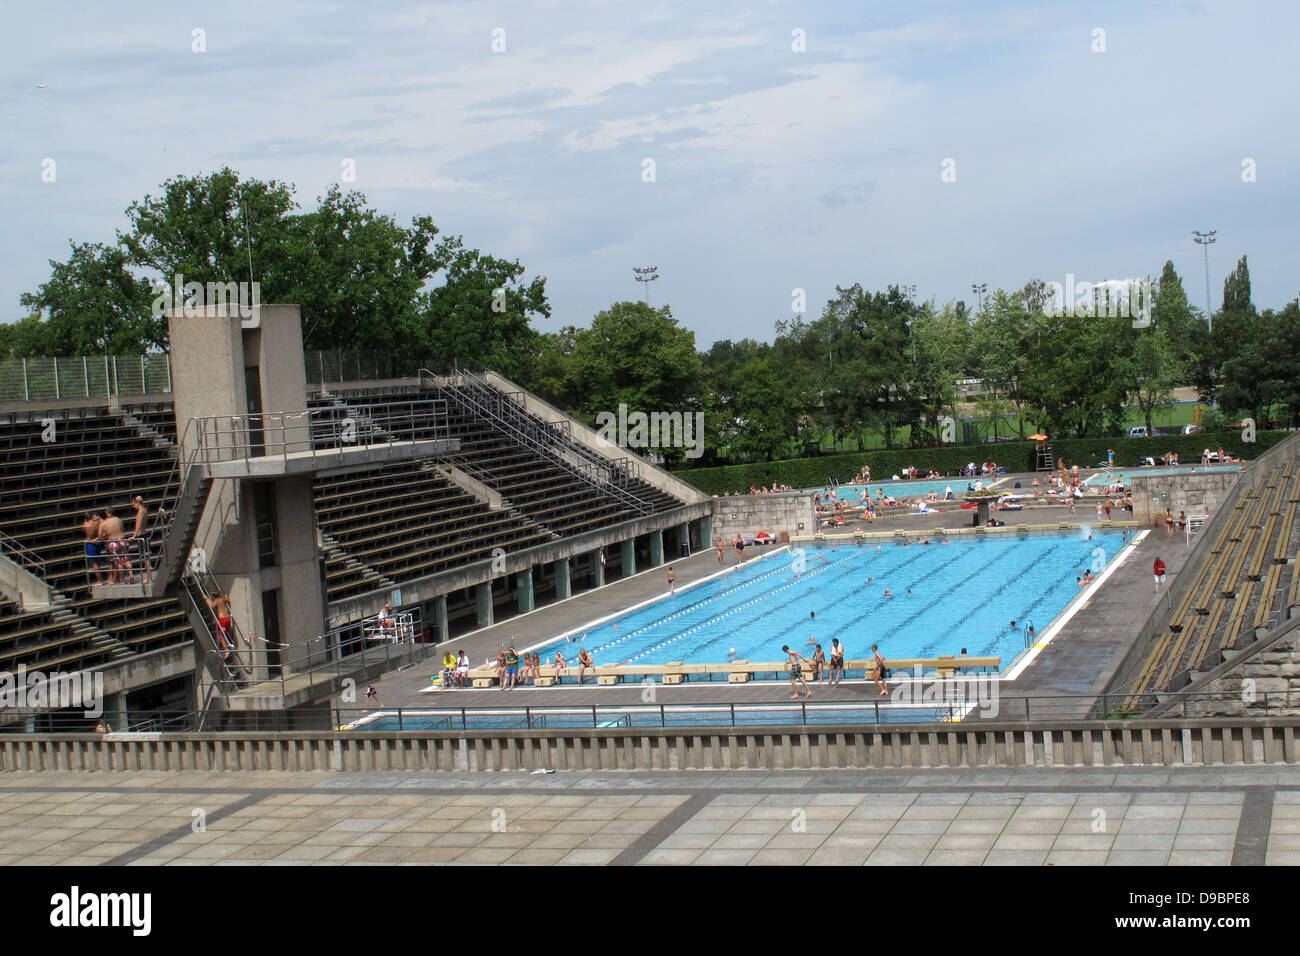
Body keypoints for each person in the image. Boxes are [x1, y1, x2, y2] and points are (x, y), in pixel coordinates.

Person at [98, 508, 128, 584]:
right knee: (124, 560)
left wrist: (106, 538)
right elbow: (123, 529)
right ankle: (121, 578)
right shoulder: (118, 519)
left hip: (113, 542)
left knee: (118, 562)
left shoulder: (103, 524)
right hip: (122, 540)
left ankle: (122, 580)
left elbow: (100, 537)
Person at [129, 495, 151, 584]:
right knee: (146, 558)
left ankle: (149, 578)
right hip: (144, 535)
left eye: (133, 504)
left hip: (141, 536)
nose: (133, 506)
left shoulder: (140, 512)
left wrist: (133, 536)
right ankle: (148, 577)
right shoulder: (145, 510)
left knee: (146, 559)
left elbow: (138, 525)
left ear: (137, 503)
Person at [82, 512, 104, 586]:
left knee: (94, 563)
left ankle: (99, 580)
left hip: (90, 543)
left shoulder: (86, 525)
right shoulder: (97, 523)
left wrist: (85, 522)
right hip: (97, 542)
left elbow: (83, 531)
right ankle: (100, 579)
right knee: (98, 562)